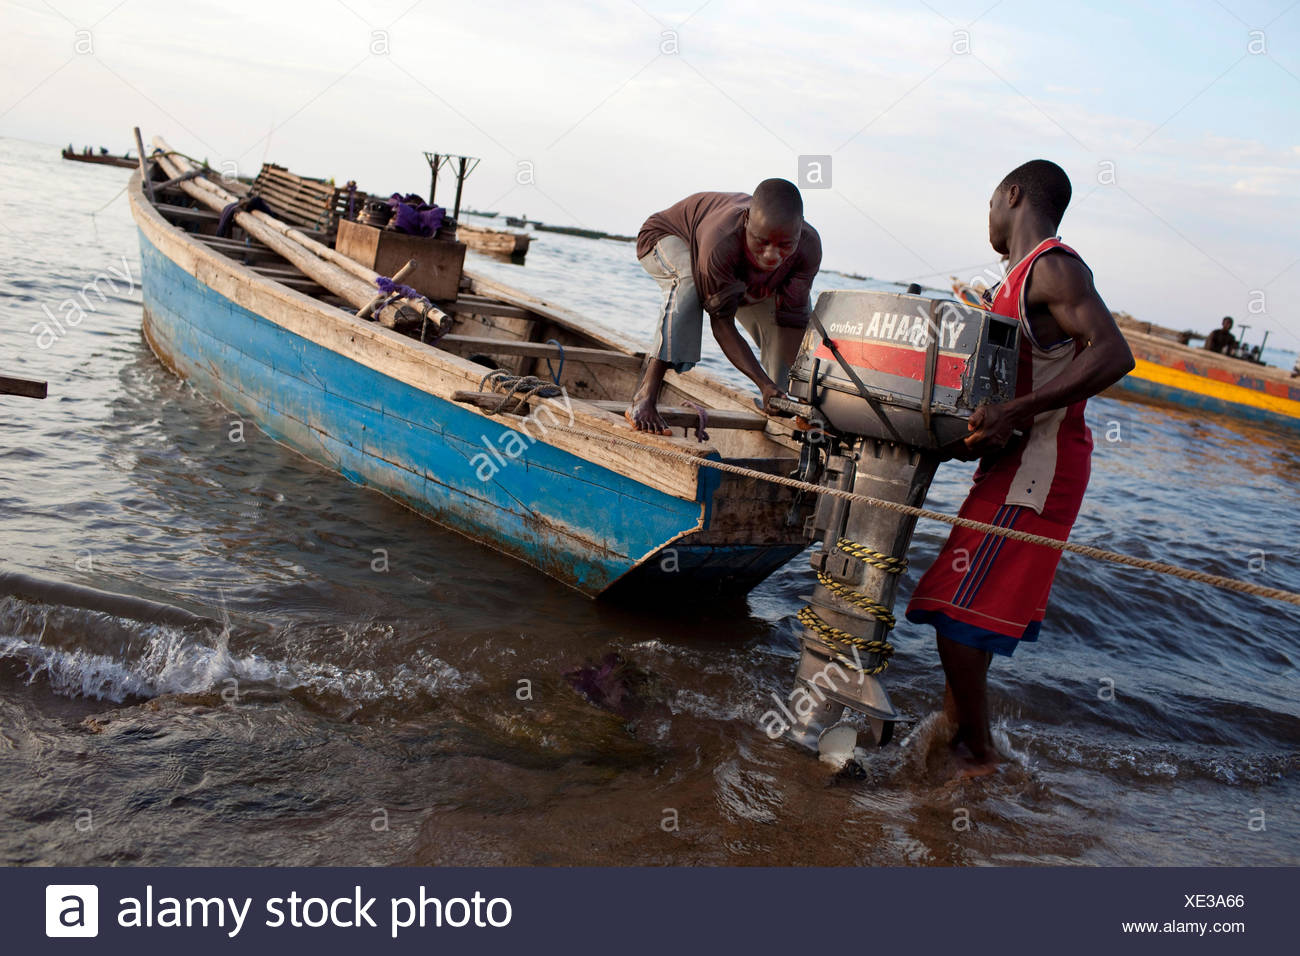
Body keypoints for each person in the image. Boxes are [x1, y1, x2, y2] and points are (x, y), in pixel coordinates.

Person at [905, 160, 1135, 778]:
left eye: (989, 202)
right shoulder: (1013, 282)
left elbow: (1116, 353)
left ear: (1012, 195)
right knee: (965, 621)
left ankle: (978, 755)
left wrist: (1018, 411)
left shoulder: (1054, 267)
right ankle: (956, 743)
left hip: (1040, 474)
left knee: (954, 616)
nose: (987, 217)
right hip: (1011, 469)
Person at [627, 180, 822, 434]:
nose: (771, 256)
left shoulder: (809, 246)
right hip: (666, 237)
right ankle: (644, 396)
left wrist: (802, 395)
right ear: (746, 220)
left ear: (800, 229)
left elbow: (792, 322)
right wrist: (761, 383)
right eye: (761, 242)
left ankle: (786, 403)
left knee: (788, 320)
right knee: (688, 283)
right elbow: (721, 323)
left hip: (739, 277)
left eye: (785, 245)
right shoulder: (721, 240)